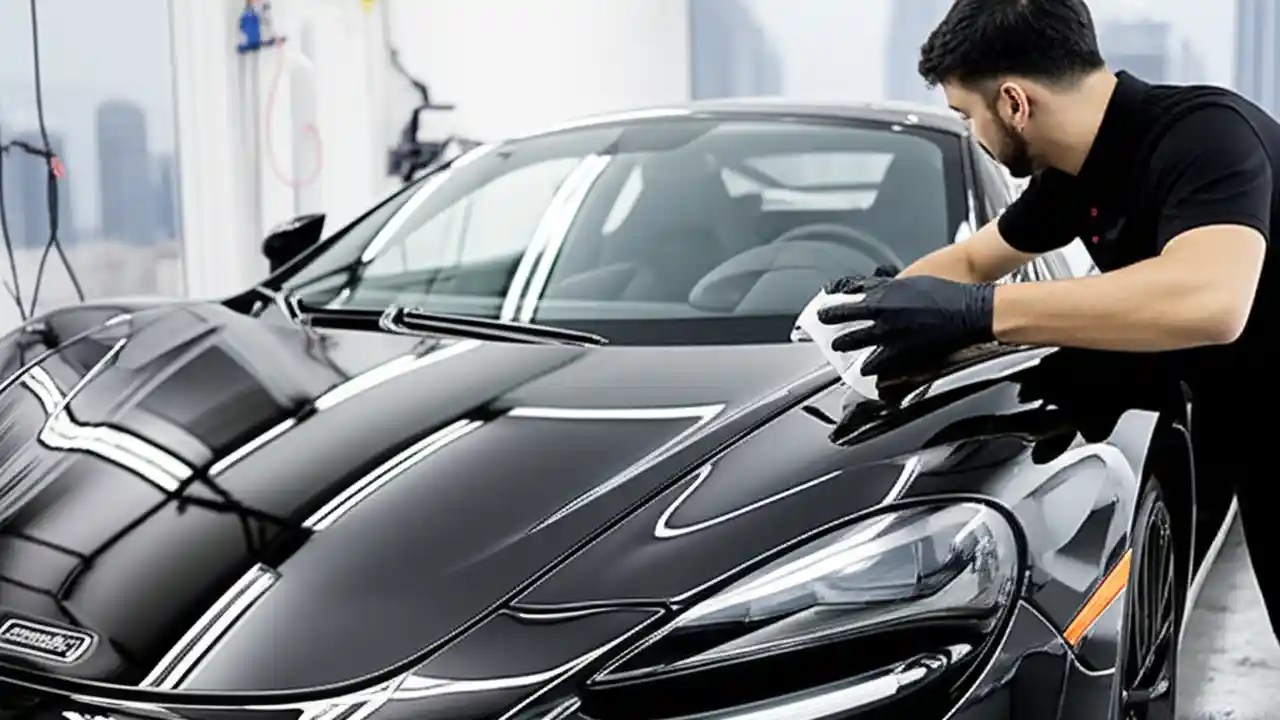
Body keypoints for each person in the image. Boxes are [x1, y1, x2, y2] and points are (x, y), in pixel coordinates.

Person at [816, 0, 1279, 640]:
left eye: (966, 115)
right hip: (1242, 412)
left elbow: (1211, 301)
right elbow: (978, 259)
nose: (973, 133)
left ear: (1013, 103)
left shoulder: (1207, 136)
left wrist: (979, 316)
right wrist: (883, 303)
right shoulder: (1075, 175)